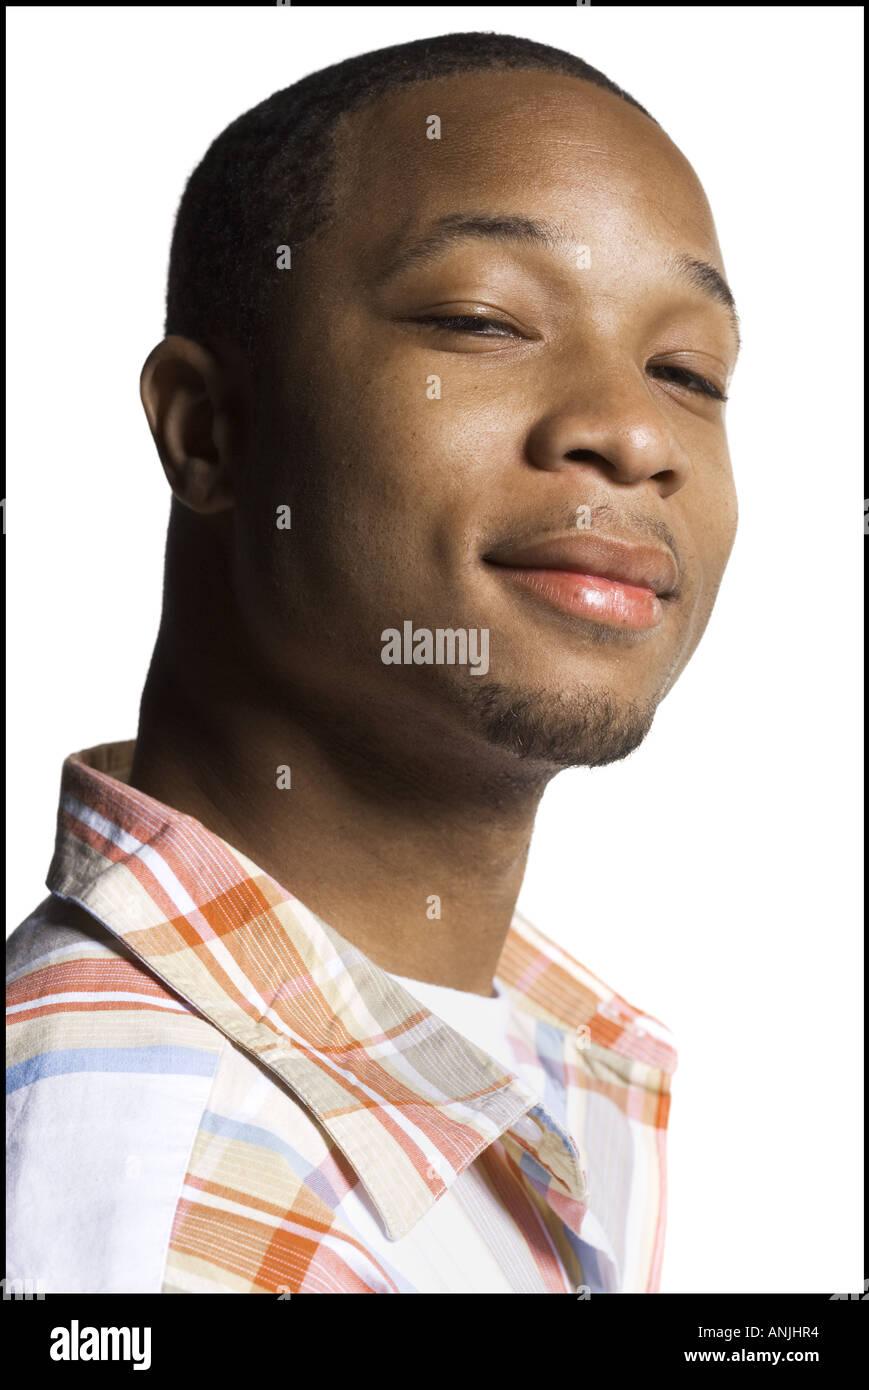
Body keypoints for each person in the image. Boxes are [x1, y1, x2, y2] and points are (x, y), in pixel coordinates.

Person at [6, 30, 740, 1294]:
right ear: (210, 432)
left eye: (686, 371)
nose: (629, 431)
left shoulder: (544, 1066)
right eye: (483, 319)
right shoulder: (168, 1202)